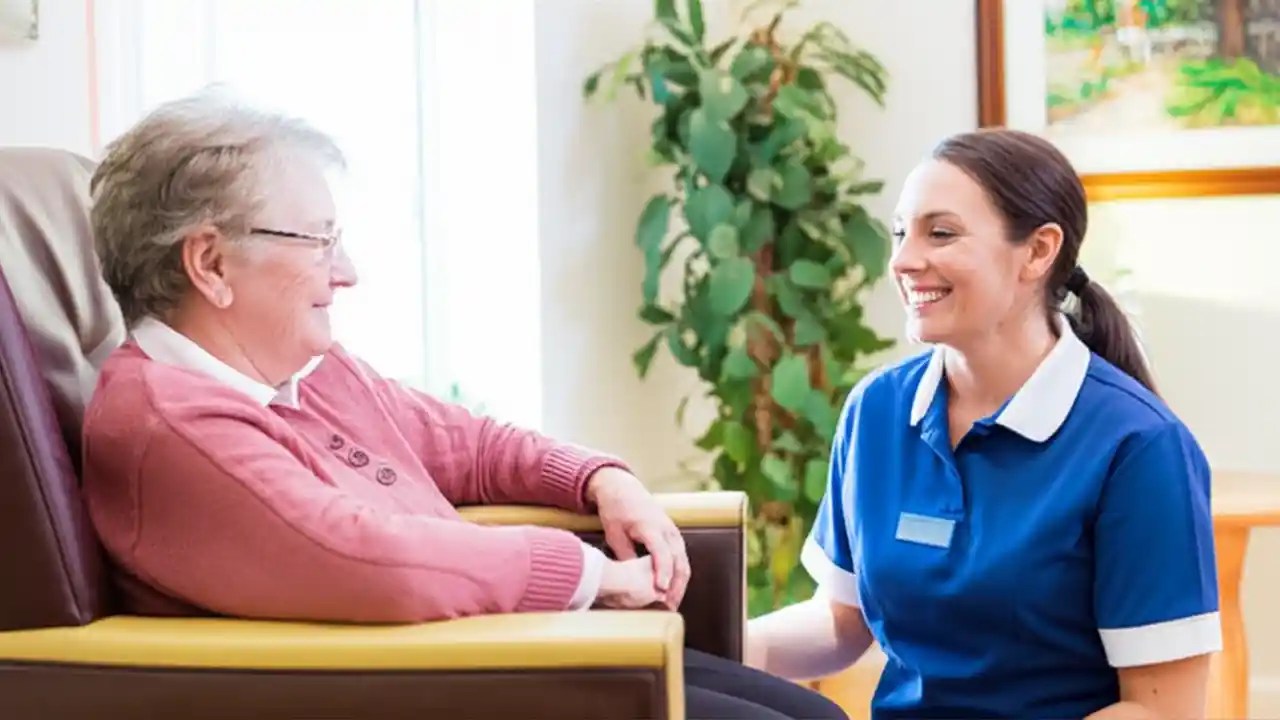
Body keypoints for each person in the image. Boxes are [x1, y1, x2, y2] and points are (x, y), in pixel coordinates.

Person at [80, 90, 846, 720]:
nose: (346, 271)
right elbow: (366, 559)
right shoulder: (167, 422)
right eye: (318, 241)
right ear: (211, 263)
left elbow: (469, 446)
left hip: (503, 659)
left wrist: (600, 481)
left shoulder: (308, 373)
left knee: (816, 716)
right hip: (423, 687)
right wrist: (588, 572)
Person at [746, 128, 1220, 720]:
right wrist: (716, 646)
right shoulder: (877, 412)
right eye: (900, 233)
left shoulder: (1140, 447)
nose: (902, 260)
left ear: (1039, 251)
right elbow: (842, 621)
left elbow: (1162, 710)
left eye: (940, 233)